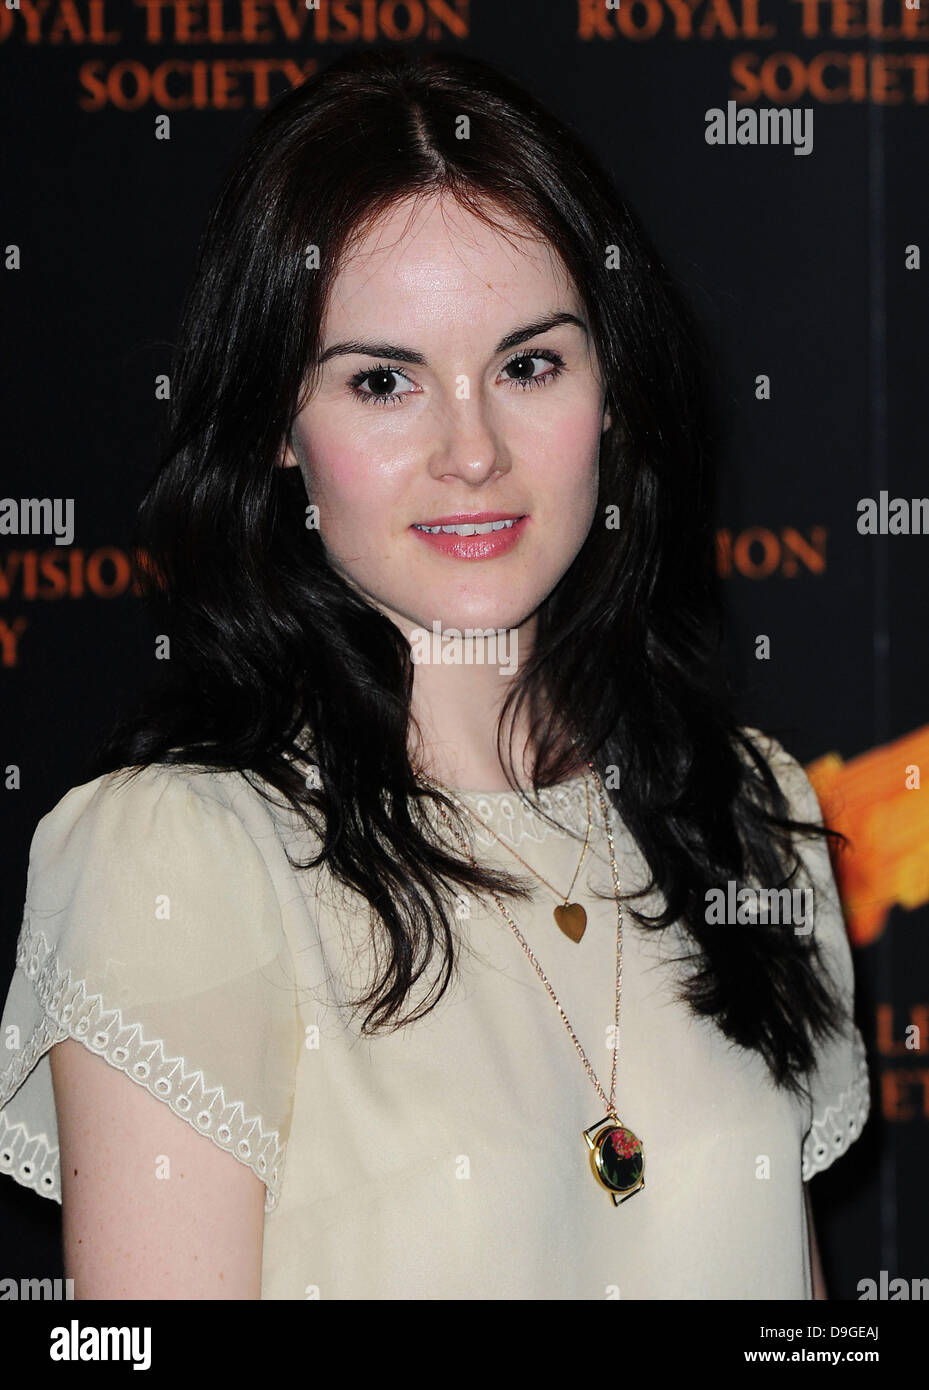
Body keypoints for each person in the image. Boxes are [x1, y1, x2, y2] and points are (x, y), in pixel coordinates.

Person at [0, 48, 869, 1300]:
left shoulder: (750, 816)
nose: (470, 450)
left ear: (610, 393)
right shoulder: (181, 859)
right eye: (383, 381)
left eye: (527, 365)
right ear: (277, 432)